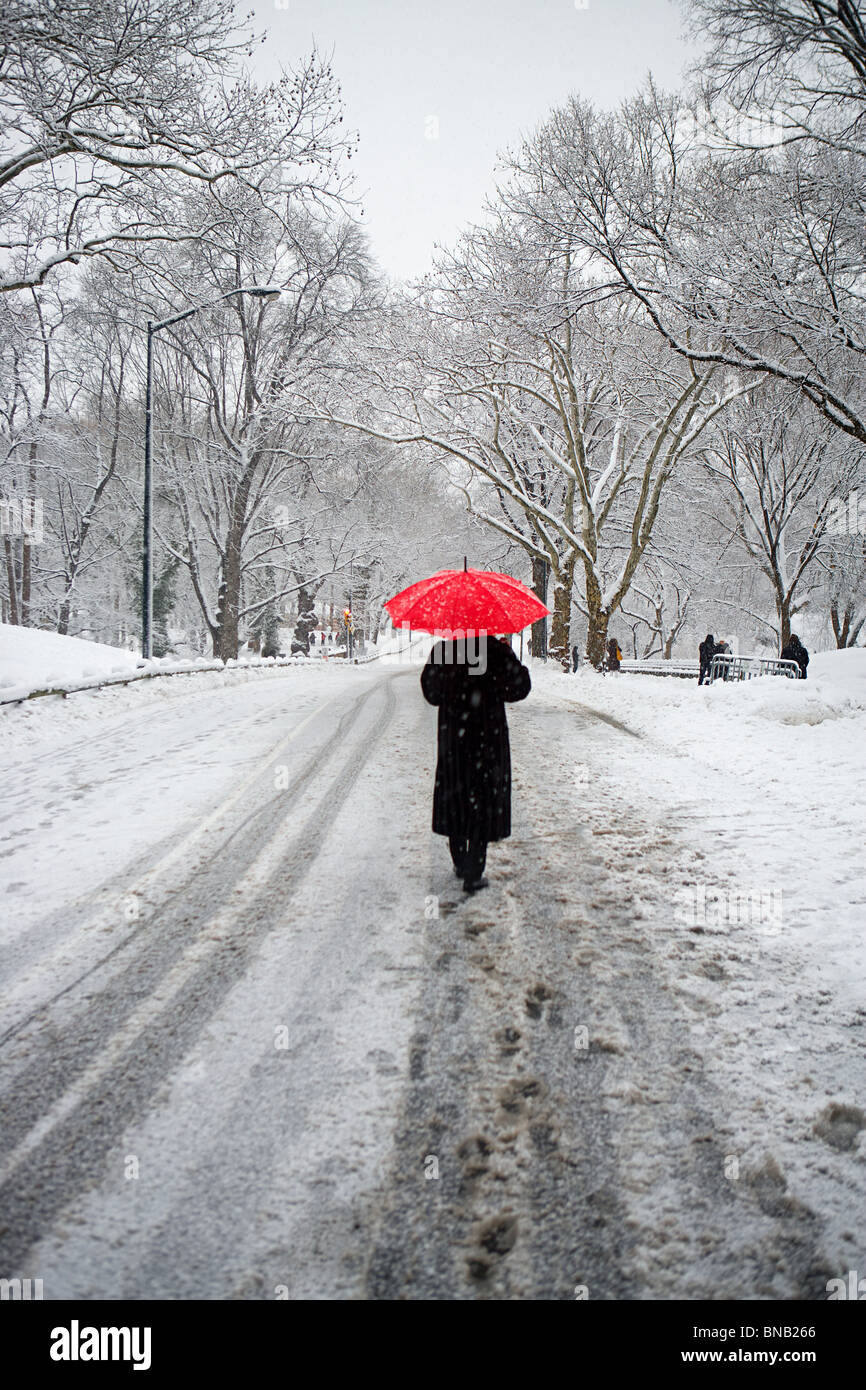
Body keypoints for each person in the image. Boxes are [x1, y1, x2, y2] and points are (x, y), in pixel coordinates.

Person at [421, 633, 531, 893]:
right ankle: (474, 870)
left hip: (454, 739)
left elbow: (431, 693)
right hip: (487, 739)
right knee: (483, 801)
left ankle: (460, 860)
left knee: (456, 795)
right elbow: (520, 688)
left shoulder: (444, 651)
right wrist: (509, 657)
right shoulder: (495, 650)